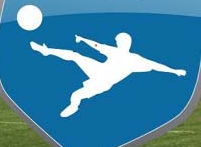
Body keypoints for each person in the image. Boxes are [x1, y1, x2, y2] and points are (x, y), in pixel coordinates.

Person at [29, 33, 186, 117]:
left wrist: (174, 70)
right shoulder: (114, 50)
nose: (117, 43)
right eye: (117, 41)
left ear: (127, 43)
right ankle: (46, 51)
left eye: (120, 41)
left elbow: (155, 65)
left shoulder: (134, 59)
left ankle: (73, 106)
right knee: (75, 55)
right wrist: (82, 39)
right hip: (98, 70)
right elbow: (97, 45)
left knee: (76, 95)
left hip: (103, 82)